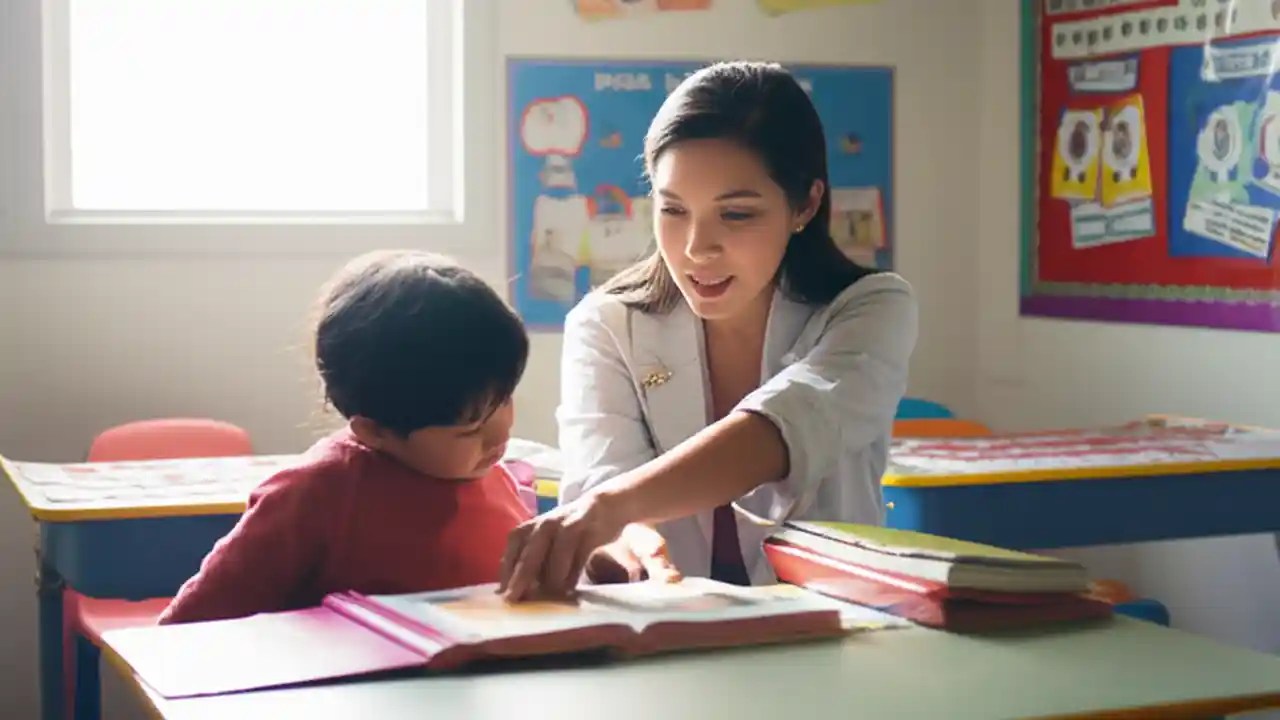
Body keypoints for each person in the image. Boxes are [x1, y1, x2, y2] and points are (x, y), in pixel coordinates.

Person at [499, 61, 918, 602]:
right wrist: (623, 544)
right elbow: (604, 481)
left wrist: (611, 509)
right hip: (665, 634)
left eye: (737, 215)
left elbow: (787, 425)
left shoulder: (870, 308)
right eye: (673, 209)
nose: (698, 247)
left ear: (806, 205)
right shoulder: (606, 324)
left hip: (832, 629)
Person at [160, 250, 669, 624]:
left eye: (504, 404)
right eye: (470, 428)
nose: (500, 437)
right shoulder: (316, 496)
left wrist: (598, 566)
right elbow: (190, 627)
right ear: (376, 431)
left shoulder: (493, 474)